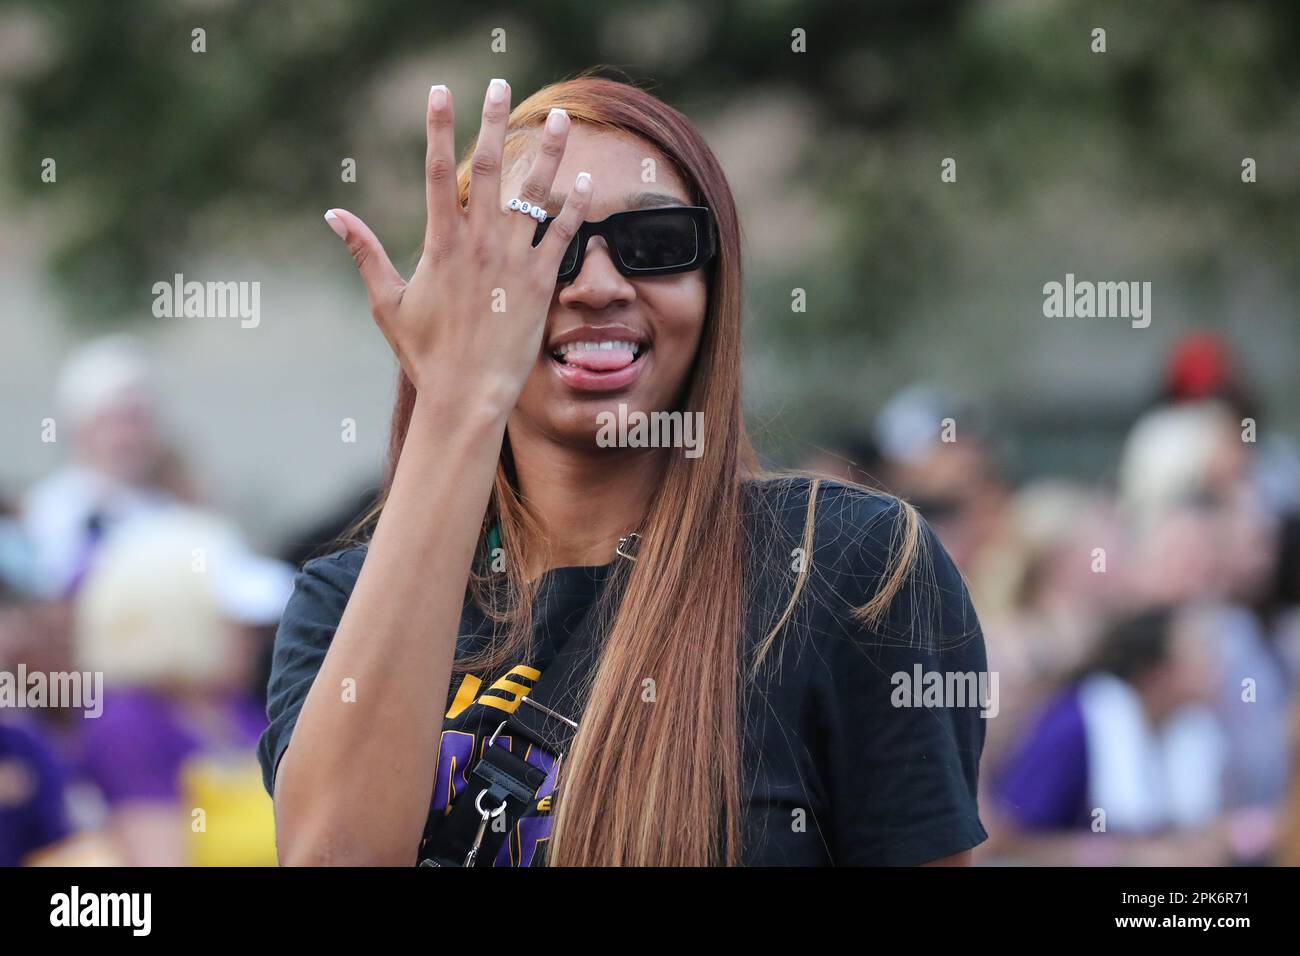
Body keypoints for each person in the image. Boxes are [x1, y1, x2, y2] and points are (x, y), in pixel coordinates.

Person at [260, 73, 988, 867]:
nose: (600, 286)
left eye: (655, 245)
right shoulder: (341, 605)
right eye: (540, 243)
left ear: (716, 286)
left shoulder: (849, 564)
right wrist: (454, 400)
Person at [75, 507, 293, 865]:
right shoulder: (129, 725)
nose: (254, 639)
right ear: (177, 621)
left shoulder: (237, 709)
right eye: (233, 621)